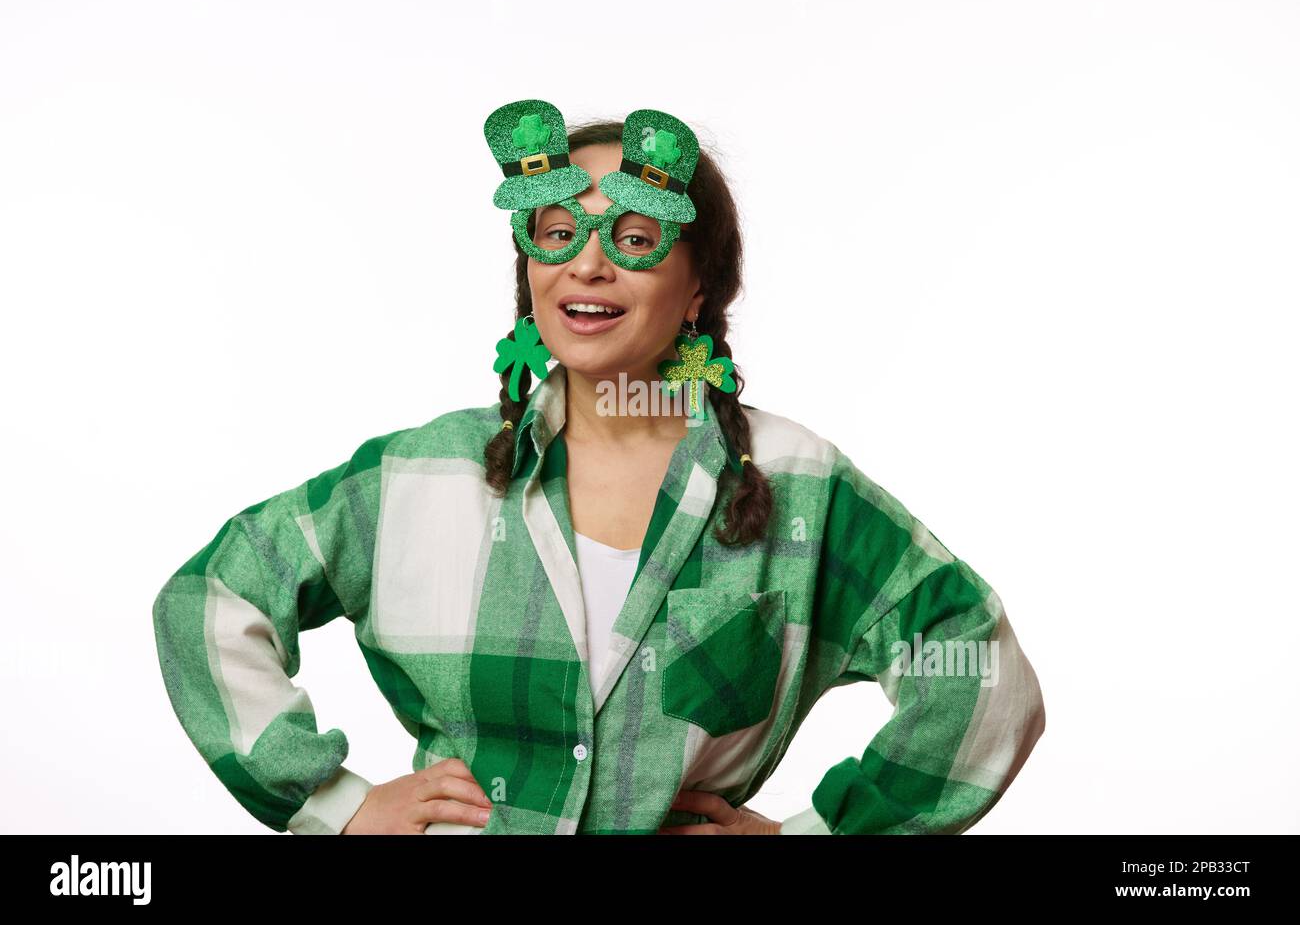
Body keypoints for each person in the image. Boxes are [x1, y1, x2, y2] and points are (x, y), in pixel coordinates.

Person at [151, 100, 1046, 835]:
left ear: (700, 287)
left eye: (633, 236)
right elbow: (210, 602)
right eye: (556, 233)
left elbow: (981, 675)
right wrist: (333, 804)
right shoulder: (420, 476)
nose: (588, 263)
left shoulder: (796, 484)